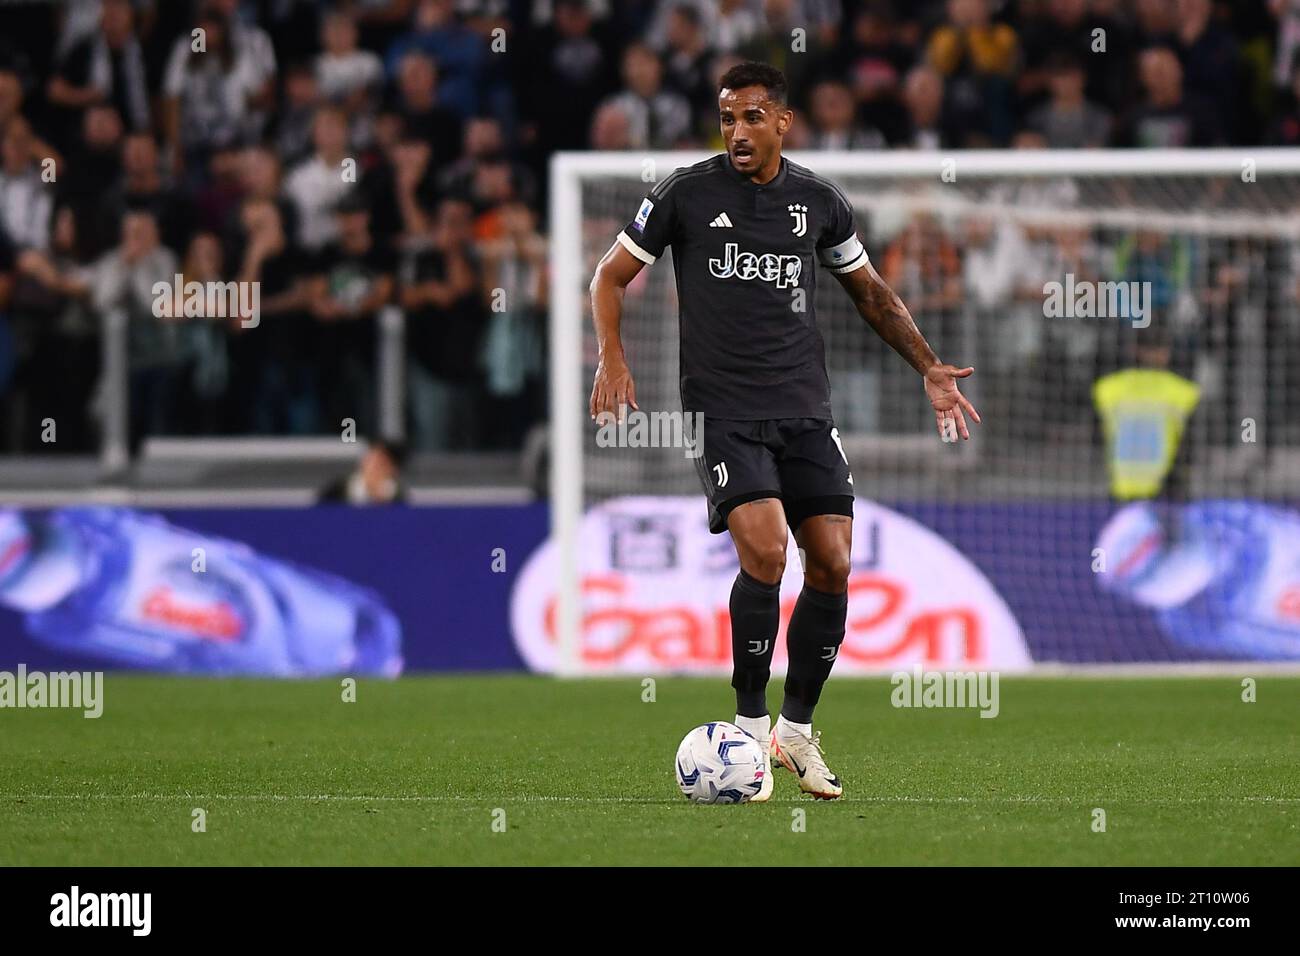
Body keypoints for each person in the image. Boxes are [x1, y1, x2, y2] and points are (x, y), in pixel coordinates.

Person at [587, 62, 979, 801]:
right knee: (766, 551)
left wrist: (928, 366)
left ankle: (794, 732)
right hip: (723, 413)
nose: (737, 131)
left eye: (752, 117)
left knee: (831, 560)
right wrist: (613, 356)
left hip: (805, 409)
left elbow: (872, 294)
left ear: (782, 122)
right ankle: (746, 730)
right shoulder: (683, 194)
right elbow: (608, 275)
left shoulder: (819, 204)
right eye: (727, 118)